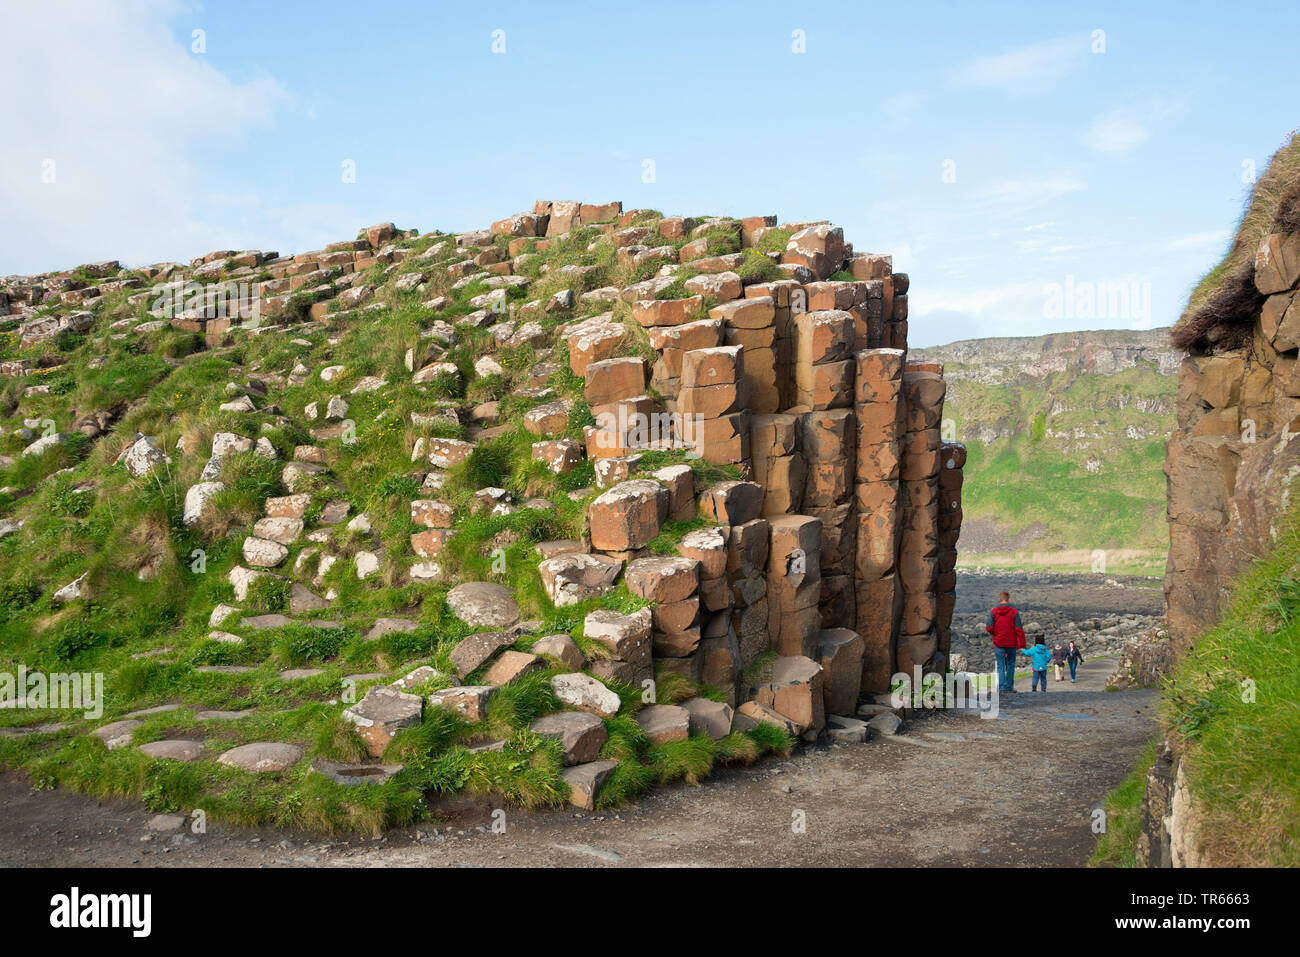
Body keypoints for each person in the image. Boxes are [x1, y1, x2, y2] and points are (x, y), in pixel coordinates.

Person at [984, 591, 1025, 694]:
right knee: (1011, 664)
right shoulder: (1014, 612)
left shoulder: (994, 611)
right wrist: (1022, 643)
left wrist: (995, 632)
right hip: (1011, 642)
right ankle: (1009, 686)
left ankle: (1002, 687)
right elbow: (1019, 628)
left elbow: (989, 627)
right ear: (1008, 599)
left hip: (999, 642)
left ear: (1000, 599)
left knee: (1000, 665)